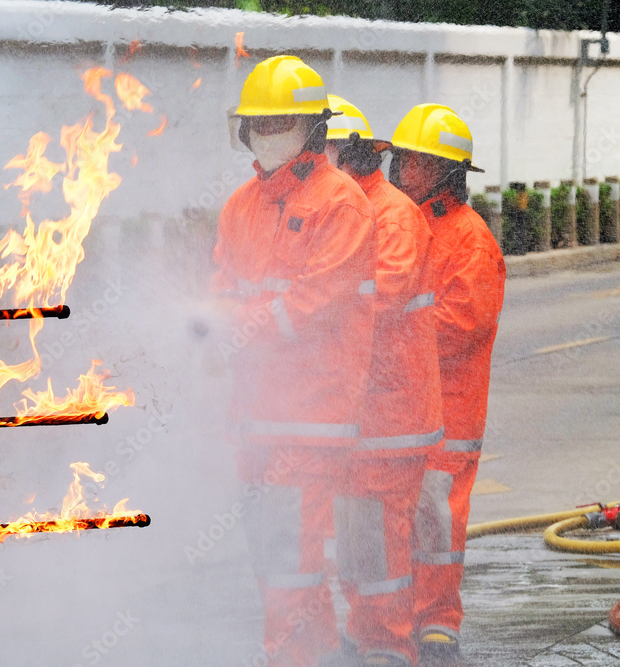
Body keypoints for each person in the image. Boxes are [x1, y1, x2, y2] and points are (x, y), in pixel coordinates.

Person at [212, 56, 378, 666]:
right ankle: (318, 648)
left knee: (291, 545)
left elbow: (315, 301)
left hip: (313, 410)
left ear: (311, 127)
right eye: (259, 122)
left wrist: (237, 329)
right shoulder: (240, 205)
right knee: (270, 547)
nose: (267, 132)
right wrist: (207, 327)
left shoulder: (342, 202)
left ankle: (288, 657)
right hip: (254, 411)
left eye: (280, 120)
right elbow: (222, 285)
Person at [325, 96, 445, 667]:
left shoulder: (392, 214)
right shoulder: (345, 207)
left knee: (383, 535)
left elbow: (383, 297)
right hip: (360, 413)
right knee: (358, 534)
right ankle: (369, 630)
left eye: (326, 152)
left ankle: (391, 644)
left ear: (356, 156)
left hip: (393, 414)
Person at [390, 104, 506, 666]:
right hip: (405, 408)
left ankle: (437, 621)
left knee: (436, 522)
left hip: (449, 415)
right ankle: (397, 618)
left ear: (444, 169)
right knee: (395, 518)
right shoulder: (405, 223)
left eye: (413, 159)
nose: (401, 168)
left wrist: (388, 335)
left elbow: (461, 324)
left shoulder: (469, 238)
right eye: (401, 157)